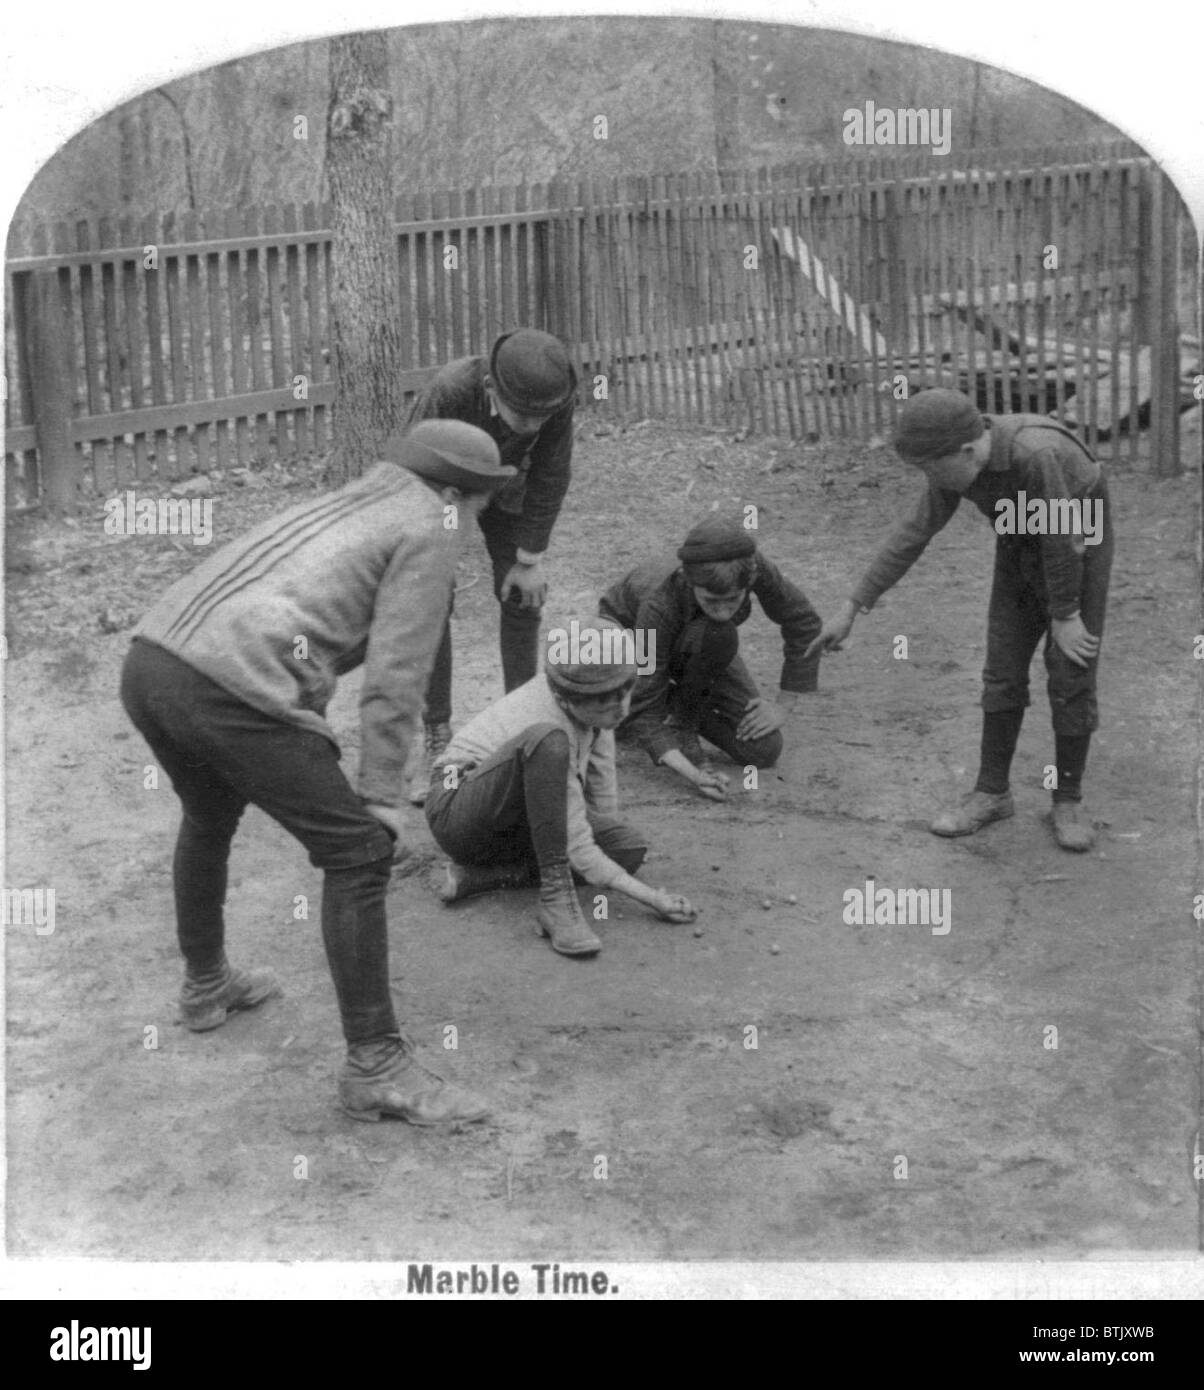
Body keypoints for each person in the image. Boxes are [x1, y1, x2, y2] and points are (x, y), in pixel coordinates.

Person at [119, 420, 515, 1124]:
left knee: (209, 813)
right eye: (483, 500)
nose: (480, 515)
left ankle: (207, 986)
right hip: (226, 686)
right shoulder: (432, 524)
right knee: (359, 850)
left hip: (153, 661)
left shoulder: (366, 493)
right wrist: (382, 796)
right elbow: (396, 677)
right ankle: (377, 1067)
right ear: (456, 491)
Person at [805, 388, 1113, 851]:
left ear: (968, 451)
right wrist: (853, 606)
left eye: (931, 468)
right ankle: (992, 792)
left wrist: (1065, 614)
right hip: (1019, 534)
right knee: (1003, 665)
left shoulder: (1036, 456)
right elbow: (914, 532)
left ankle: (1067, 799)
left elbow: (1061, 540)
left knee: (1070, 669)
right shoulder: (957, 462)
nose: (929, 477)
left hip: (1077, 539)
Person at [425, 619, 698, 958]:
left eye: (625, 693)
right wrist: (652, 897)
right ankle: (556, 900)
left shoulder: (596, 695)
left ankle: (484, 877)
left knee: (626, 847)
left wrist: (607, 837)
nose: (621, 709)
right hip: (457, 805)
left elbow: (601, 783)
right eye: (605, 703)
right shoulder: (552, 724)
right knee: (547, 741)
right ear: (563, 697)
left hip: (512, 816)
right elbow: (578, 845)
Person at [404, 328, 578, 802]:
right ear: (489, 392)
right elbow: (412, 468)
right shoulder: (451, 390)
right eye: (519, 415)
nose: (529, 427)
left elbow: (550, 473)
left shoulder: (556, 396)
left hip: (509, 489)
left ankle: (519, 728)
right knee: (431, 603)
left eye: (539, 418)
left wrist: (529, 560)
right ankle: (437, 733)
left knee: (523, 596)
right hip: (440, 489)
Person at [599, 517, 824, 801]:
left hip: (703, 642)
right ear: (687, 580)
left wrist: (783, 705)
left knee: (762, 750)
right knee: (711, 637)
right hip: (632, 637)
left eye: (732, 600)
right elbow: (647, 709)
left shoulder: (752, 566)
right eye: (710, 601)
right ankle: (674, 717)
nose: (722, 610)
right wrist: (693, 773)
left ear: (750, 580)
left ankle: (680, 705)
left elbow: (803, 621)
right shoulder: (657, 606)